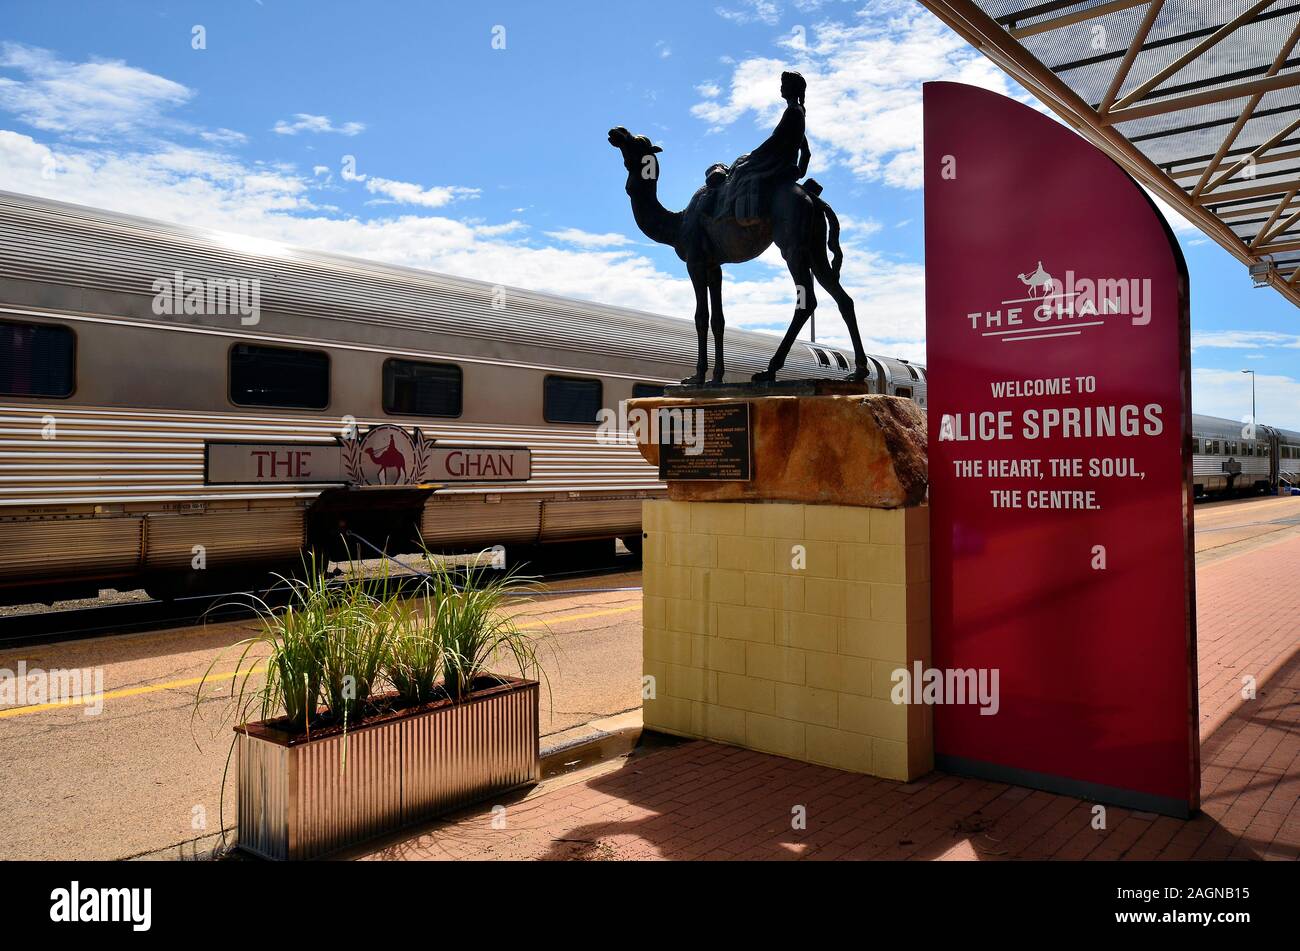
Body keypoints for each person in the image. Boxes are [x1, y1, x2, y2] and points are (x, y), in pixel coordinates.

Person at [708, 71, 811, 223]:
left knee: (740, 169)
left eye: (785, 84)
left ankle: (727, 210)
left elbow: (776, 141)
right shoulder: (798, 111)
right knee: (741, 164)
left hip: (777, 162)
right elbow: (806, 152)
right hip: (784, 162)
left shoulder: (793, 111)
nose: (781, 87)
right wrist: (800, 171)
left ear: (793, 88)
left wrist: (754, 156)